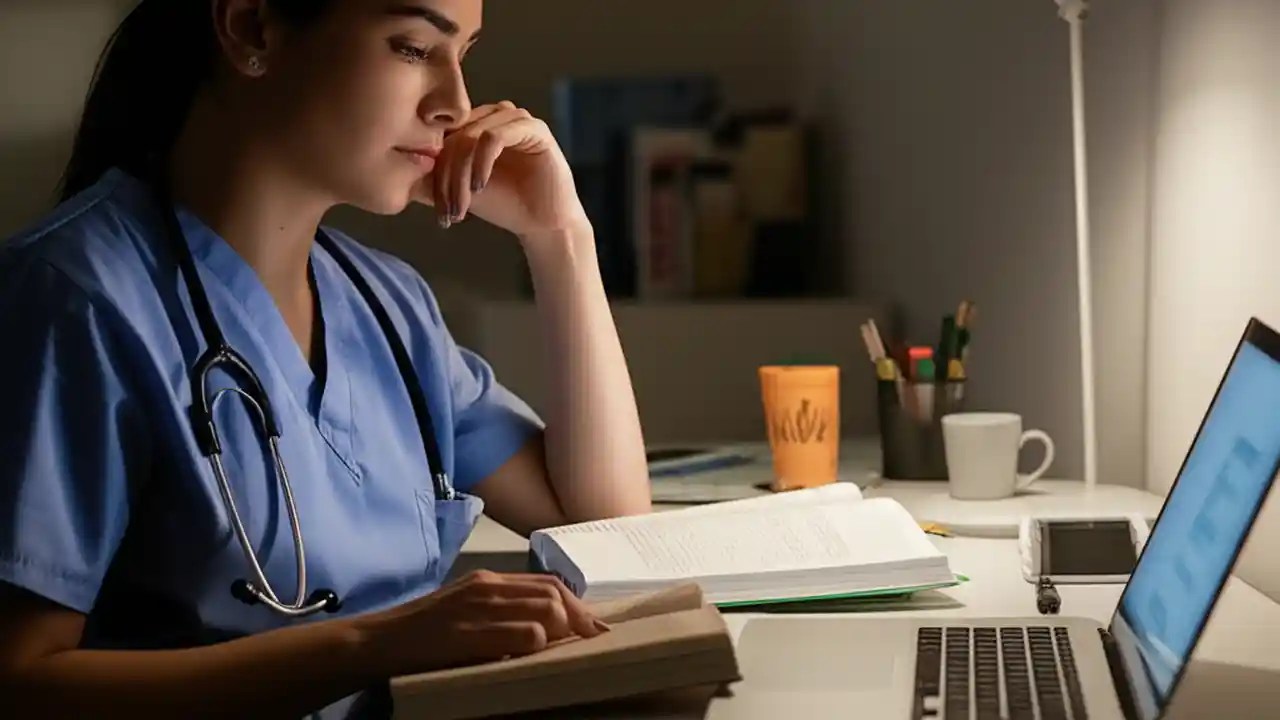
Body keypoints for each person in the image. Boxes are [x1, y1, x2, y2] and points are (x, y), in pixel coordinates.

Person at [0, 0, 652, 717]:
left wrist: (560, 237)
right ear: (253, 29)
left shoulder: (387, 305)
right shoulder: (73, 298)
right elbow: (23, 682)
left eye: (461, 55)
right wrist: (374, 645)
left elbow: (610, 528)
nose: (456, 105)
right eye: (412, 48)